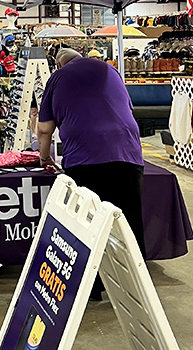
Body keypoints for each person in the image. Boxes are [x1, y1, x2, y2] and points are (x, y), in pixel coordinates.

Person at [36, 48, 146, 299]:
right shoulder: (111, 70)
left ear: (58, 63)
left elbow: (44, 129)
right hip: (127, 153)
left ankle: (93, 286)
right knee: (129, 223)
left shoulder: (58, 78)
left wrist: (44, 158)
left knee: (90, 221)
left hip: (85, 158)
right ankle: (136, 287)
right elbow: (127, 109)